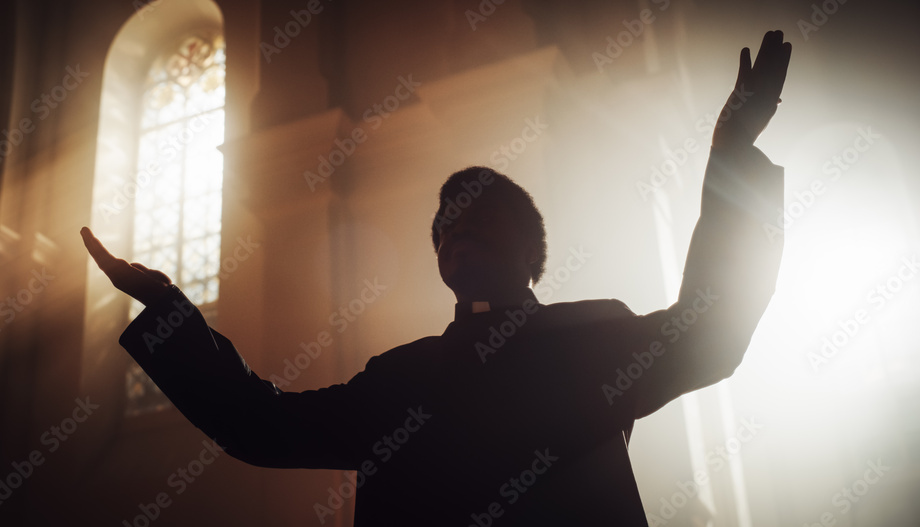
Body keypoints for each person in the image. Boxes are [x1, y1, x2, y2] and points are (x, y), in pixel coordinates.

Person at [82, 30, 791, 526]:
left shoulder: (590, 335)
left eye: (476, 213)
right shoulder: (397, 380)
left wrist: (731, 158)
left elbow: (710, 329)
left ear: (529, 247)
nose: (455, 228)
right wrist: (170, 310)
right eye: (444, 224)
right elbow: (260, 425)